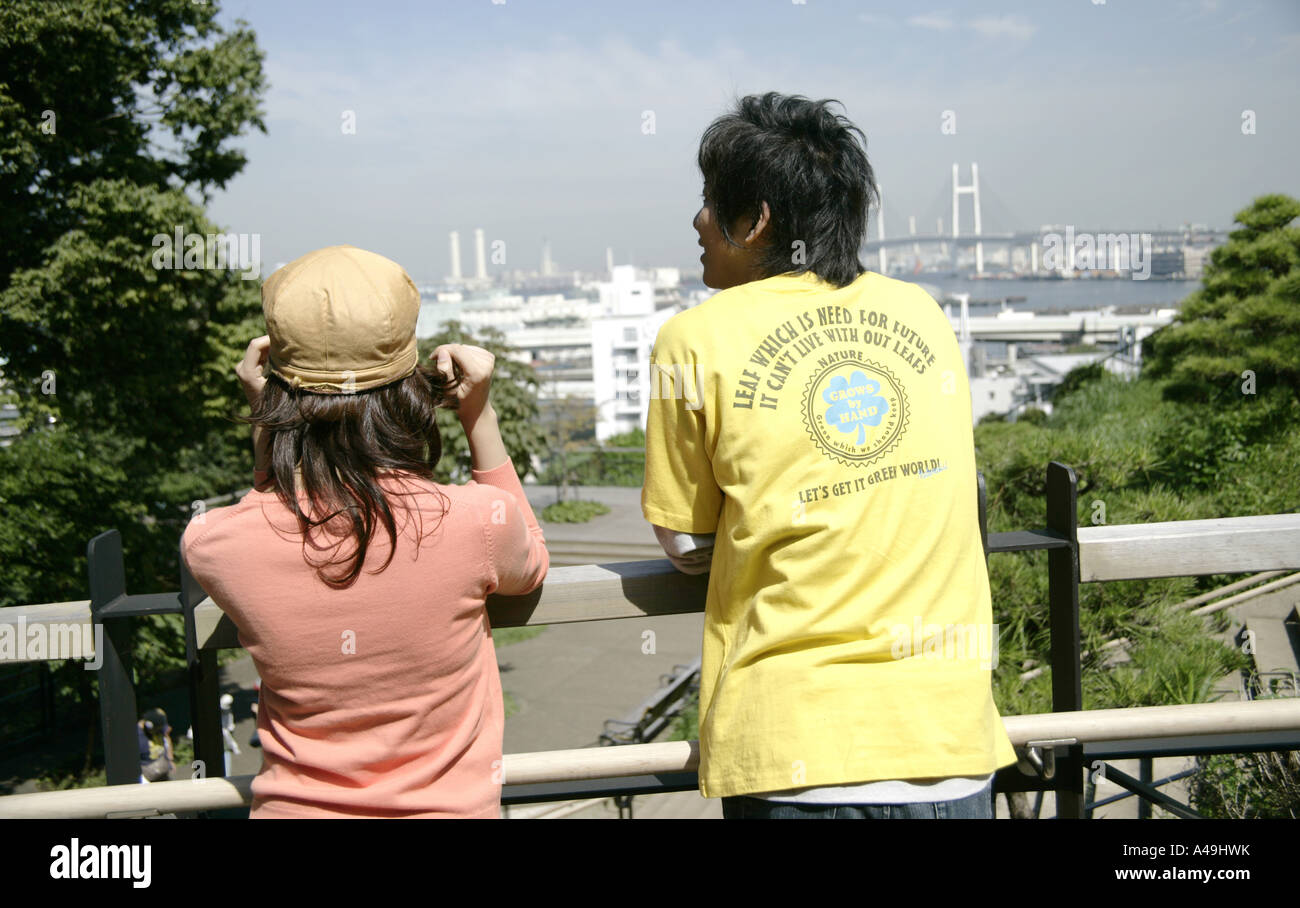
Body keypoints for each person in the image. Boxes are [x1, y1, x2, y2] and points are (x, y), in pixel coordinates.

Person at [641, 93, 1019, 819]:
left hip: (796, 755)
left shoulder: (691, 339)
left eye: (709, 201)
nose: (696, 221)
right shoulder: (924, 313)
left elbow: (687, 542)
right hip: (952, 747)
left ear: (755, 222)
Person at [181, 245, 548, 818]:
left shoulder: (212, 544)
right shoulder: (477, 521)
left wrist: (266, 422)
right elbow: (530, 565)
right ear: (409, 382)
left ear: (274, 382)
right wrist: (478, 413)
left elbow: (265, 515)